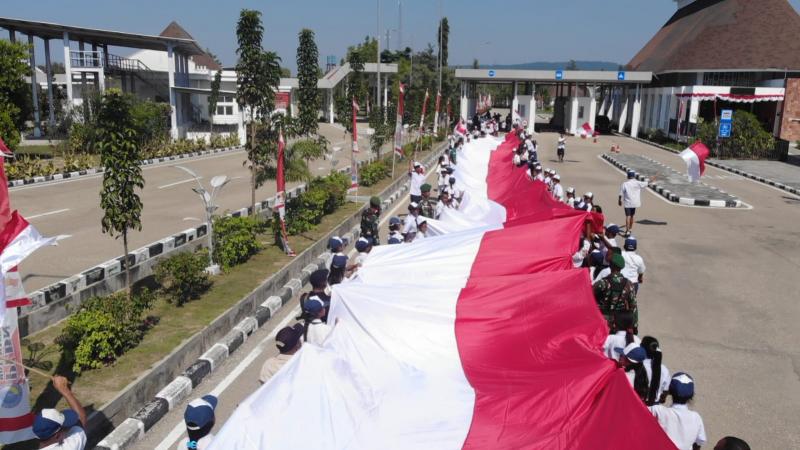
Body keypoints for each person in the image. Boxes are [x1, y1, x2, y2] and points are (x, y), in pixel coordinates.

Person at [648, 373, 707, 450]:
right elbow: (699, 442)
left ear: (670, 391)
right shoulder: (696, 418)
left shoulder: (657, 411)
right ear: (691, 395)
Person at [33, 376, 87, 450]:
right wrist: (64, 390)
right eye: (64, 427)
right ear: (57, 436)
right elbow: (81, 419)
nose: (67, 428)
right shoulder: (70, 447)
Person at [593, 253, 638, 332]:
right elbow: (633, 306)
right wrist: (634, 325)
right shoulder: (629, 284)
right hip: (619, 323)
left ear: (610, 265)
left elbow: (588, 296)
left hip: (601, 320)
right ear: (621, 268)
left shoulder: (603, 283)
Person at [619, 170, 655, 236]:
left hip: (627, 203)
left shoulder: (625, 184)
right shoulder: (638, 183)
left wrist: (619, 200)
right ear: (634, 176)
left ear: (628, 176)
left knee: (628, 216)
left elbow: (621, 193)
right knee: (632, 216)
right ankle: (630, 229)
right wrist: (652, 179)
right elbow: (646, 183)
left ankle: (627, 230)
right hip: (634, 203)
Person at [641, 336, 670, 404]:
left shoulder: (638, 365)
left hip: (638, 404)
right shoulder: (664, 369)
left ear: (642, 347)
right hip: (656, 405)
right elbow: (665, 390)